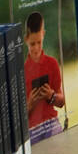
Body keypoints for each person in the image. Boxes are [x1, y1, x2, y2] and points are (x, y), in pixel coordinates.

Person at [24, 11, 65, 142]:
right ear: (26, 40)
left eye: (39, 42)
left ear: (44, 35)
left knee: (57, 138)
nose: (36, 48)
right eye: (32, 44)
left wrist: (51, 95)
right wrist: (30, 104)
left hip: (51, 124)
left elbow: (61, 102)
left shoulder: (52, 63)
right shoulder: (22, 71)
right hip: (31, 130)